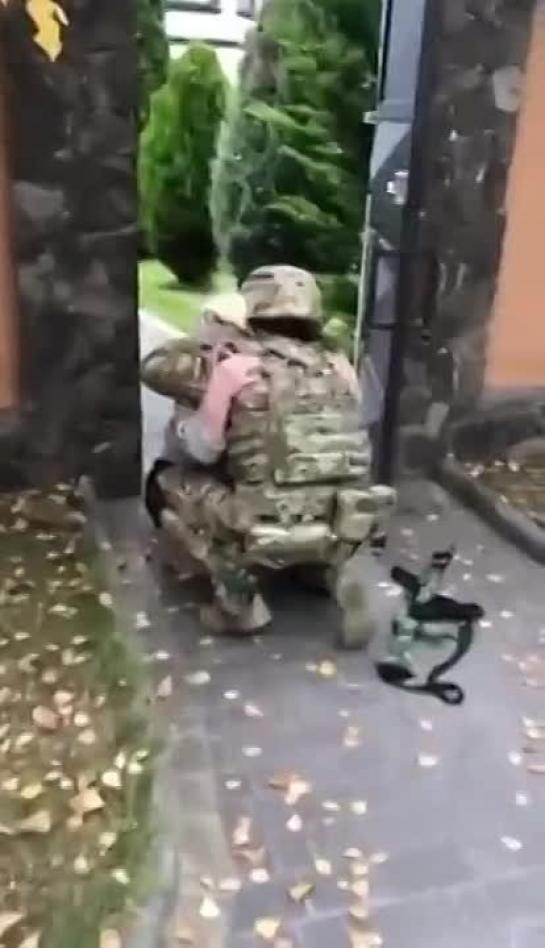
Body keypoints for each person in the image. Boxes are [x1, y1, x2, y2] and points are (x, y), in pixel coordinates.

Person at [143, 267, 396, 646]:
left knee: (165, 483)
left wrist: (206, 404)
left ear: (253, 308)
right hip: (339, 513)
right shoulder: (338, 365)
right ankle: (330, 572)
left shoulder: (235, 366)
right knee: (319, 501)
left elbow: (202, 450)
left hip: (260, 515)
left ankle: (239, 600)